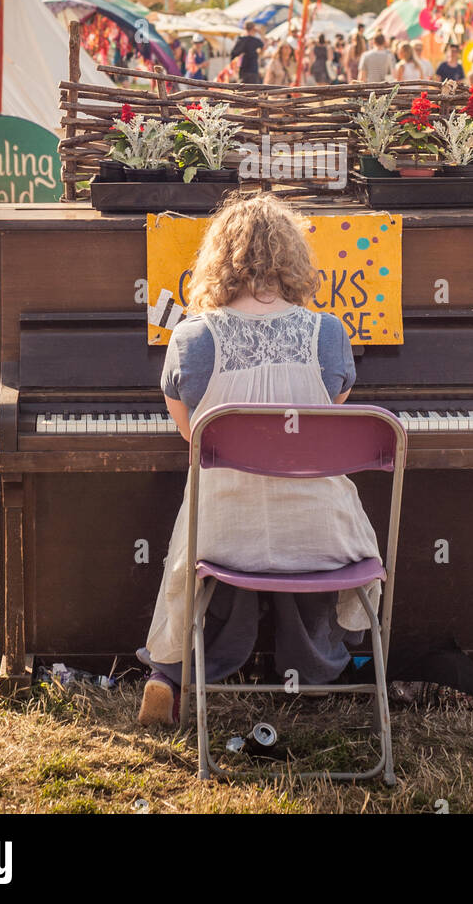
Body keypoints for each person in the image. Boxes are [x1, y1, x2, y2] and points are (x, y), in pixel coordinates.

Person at [136, 193, 381, 725]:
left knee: (214, 528)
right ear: (294, 259)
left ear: (217, 260)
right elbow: (323, 422)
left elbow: (196, 441)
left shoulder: (191, 337)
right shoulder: (330, 334)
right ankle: (322, 667)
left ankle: (170, 675)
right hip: (321, 534)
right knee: (301, 521)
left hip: (224, 532)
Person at [230, 21, 264, 85]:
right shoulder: (256, 41)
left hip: (243, 68)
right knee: (253, 90)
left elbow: (233, 54)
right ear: (254, 29)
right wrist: (261, 33)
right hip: (253, 68)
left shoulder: (241, 39)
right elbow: (264, 46)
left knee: (242, 90)